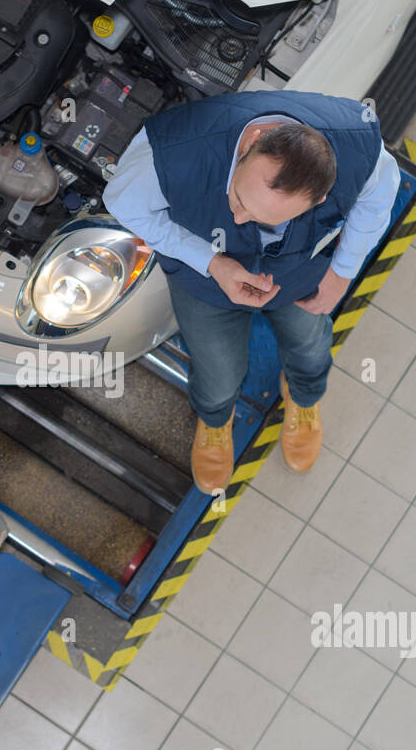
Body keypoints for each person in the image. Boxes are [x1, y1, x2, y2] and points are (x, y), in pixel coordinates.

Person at [104, 89, 400, 493]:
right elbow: (123, 203)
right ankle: (215, 420)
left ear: (320, 198)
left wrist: (341, 274)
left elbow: (376, 198)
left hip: (297, 272)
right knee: (218, 375)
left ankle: (303, 396)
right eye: (240, 198)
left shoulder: (359, 146)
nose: (240, 217)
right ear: (249, 142)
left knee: (310, 347)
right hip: (206, 280)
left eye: (265, 217)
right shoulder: (172, 153)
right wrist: (211, 260)